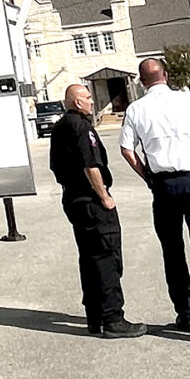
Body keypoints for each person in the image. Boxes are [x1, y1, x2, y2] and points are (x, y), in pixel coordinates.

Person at [119, 58, 190, 344]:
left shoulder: (136, 109)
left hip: (164, 184)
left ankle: (186, 314)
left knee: (173, 251)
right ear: (166, 76)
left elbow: (126, 149)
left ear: (141, 81)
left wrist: (147, 176)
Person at [49, 80, 146, 339]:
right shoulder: (81, 127)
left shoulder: (59, 127)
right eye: (88, 98)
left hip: (72, 199)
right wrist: (104, 196)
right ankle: (113, 318)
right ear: (77, 102)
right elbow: (90, 164)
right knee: (106, 256)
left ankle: (95, 316)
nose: (92, 102)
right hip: (90, 200)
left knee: (89, 257)